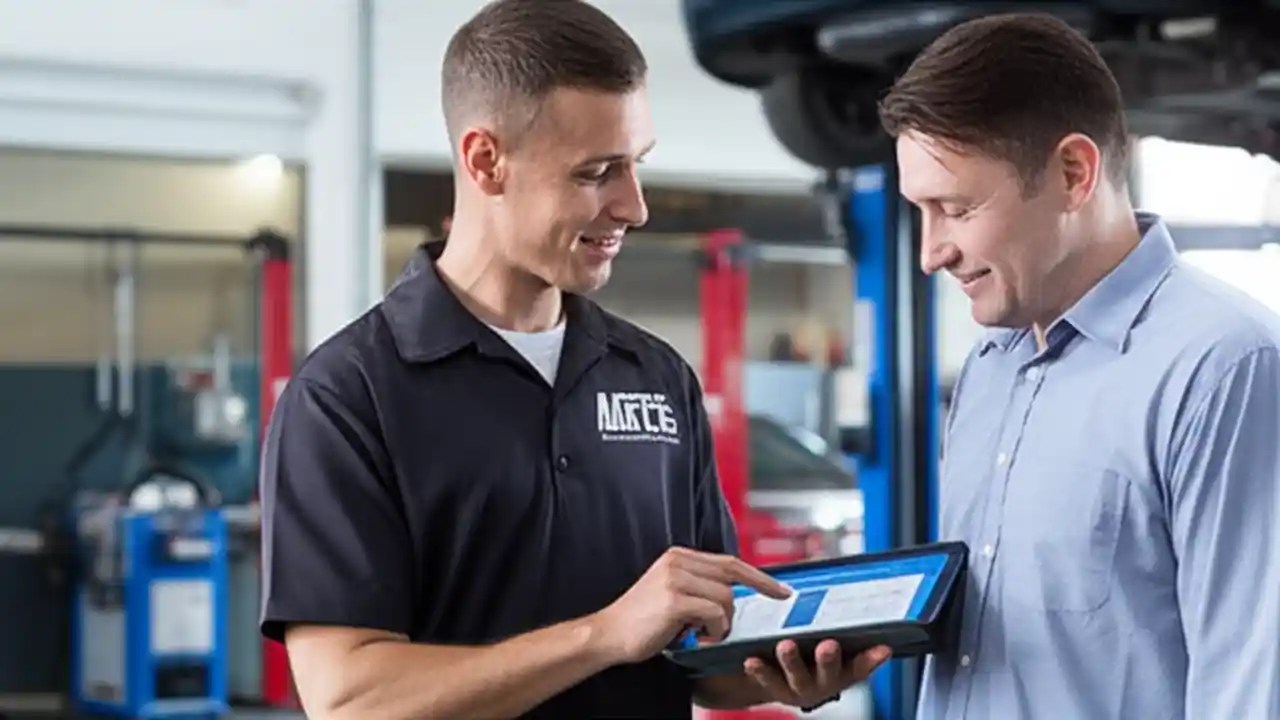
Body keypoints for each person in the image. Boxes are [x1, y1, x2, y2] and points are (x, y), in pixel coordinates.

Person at [256, 1, 889, 718]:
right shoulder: (348, 397)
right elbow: (353, 702)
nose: (636, 206)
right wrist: (602, 635)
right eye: (597, 173)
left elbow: (700, 659)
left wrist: (783, 666)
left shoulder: (656, 378)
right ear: (485, 161)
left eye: (636, 165)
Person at [877, 13, 1280, 720]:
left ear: (1073, 173)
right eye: (920, 211)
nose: (930, 252)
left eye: (956, 208)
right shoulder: (990, 369)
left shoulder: (1225, 368)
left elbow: (1250, 685)